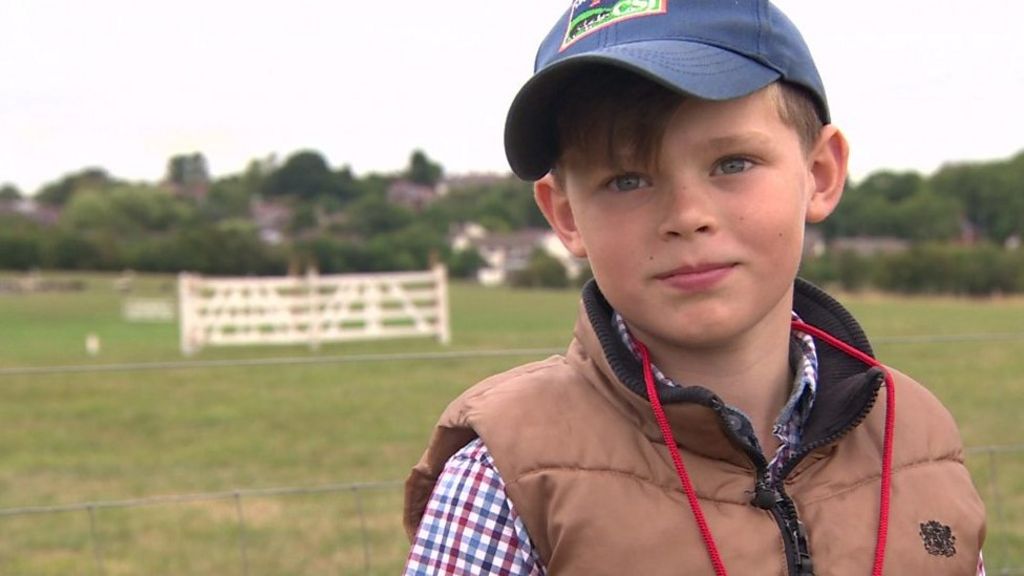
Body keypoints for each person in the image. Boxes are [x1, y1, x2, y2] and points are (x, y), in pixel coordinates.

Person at [403, 1, 986, 574]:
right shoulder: (507, 478)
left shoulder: (916, 441)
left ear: (820, 173)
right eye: (626, 180)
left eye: (732, 163)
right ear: (566, 215)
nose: (686, 215)